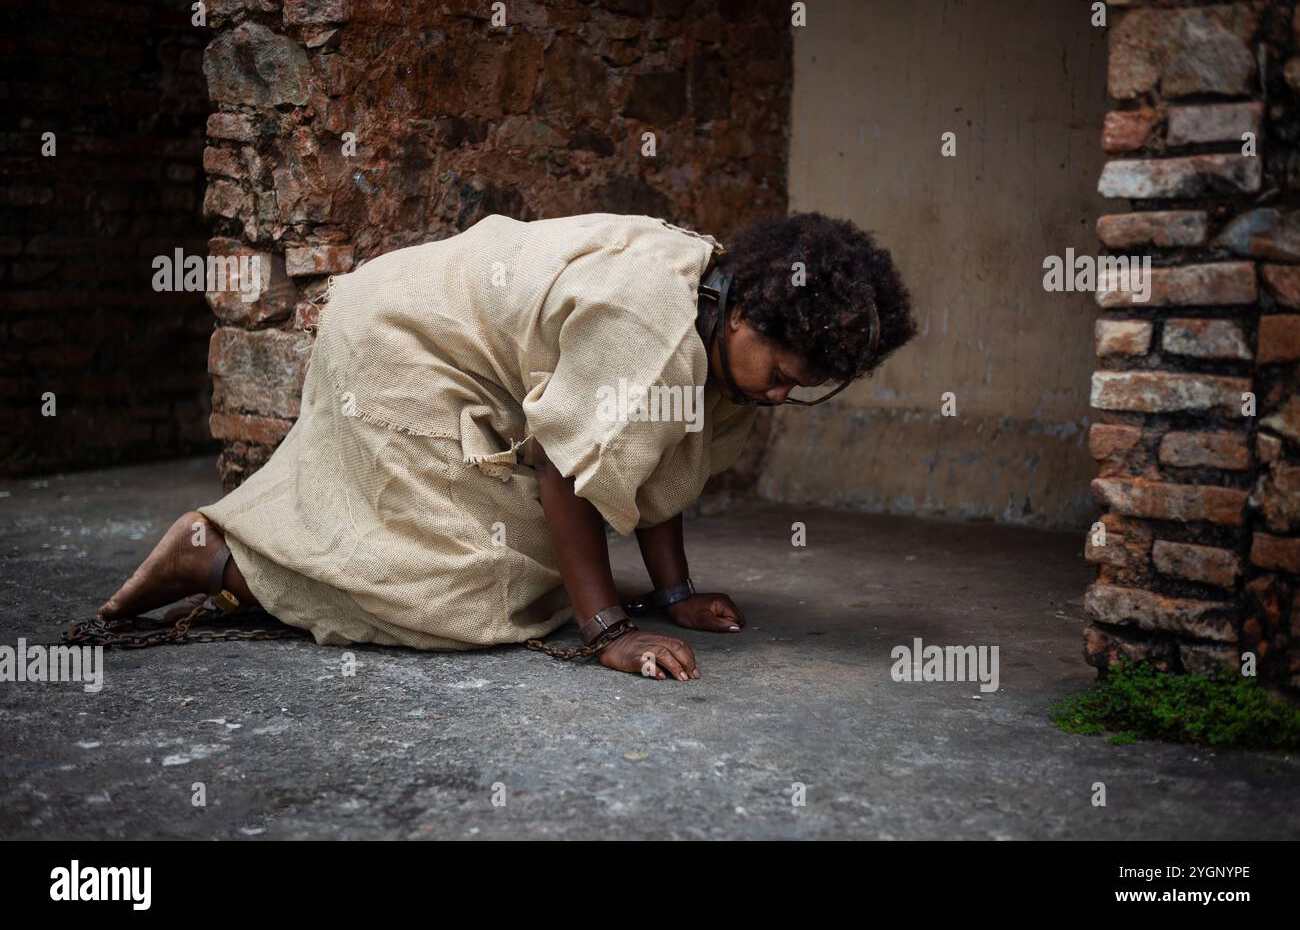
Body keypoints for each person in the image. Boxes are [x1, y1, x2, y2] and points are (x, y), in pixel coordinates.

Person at [97, 211, 916, 681]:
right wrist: (606, 633)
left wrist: (673, 597)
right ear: (746, 316)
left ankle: (247, 549)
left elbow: (658, 467)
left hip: (452, 340)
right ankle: (218, 561)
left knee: (545, 569)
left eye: (800, 387)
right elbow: (568, 466)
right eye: (779, 372)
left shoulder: (717, 319)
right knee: (476, 591)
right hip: (405, 338)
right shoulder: (652, 329)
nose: (779, 395)